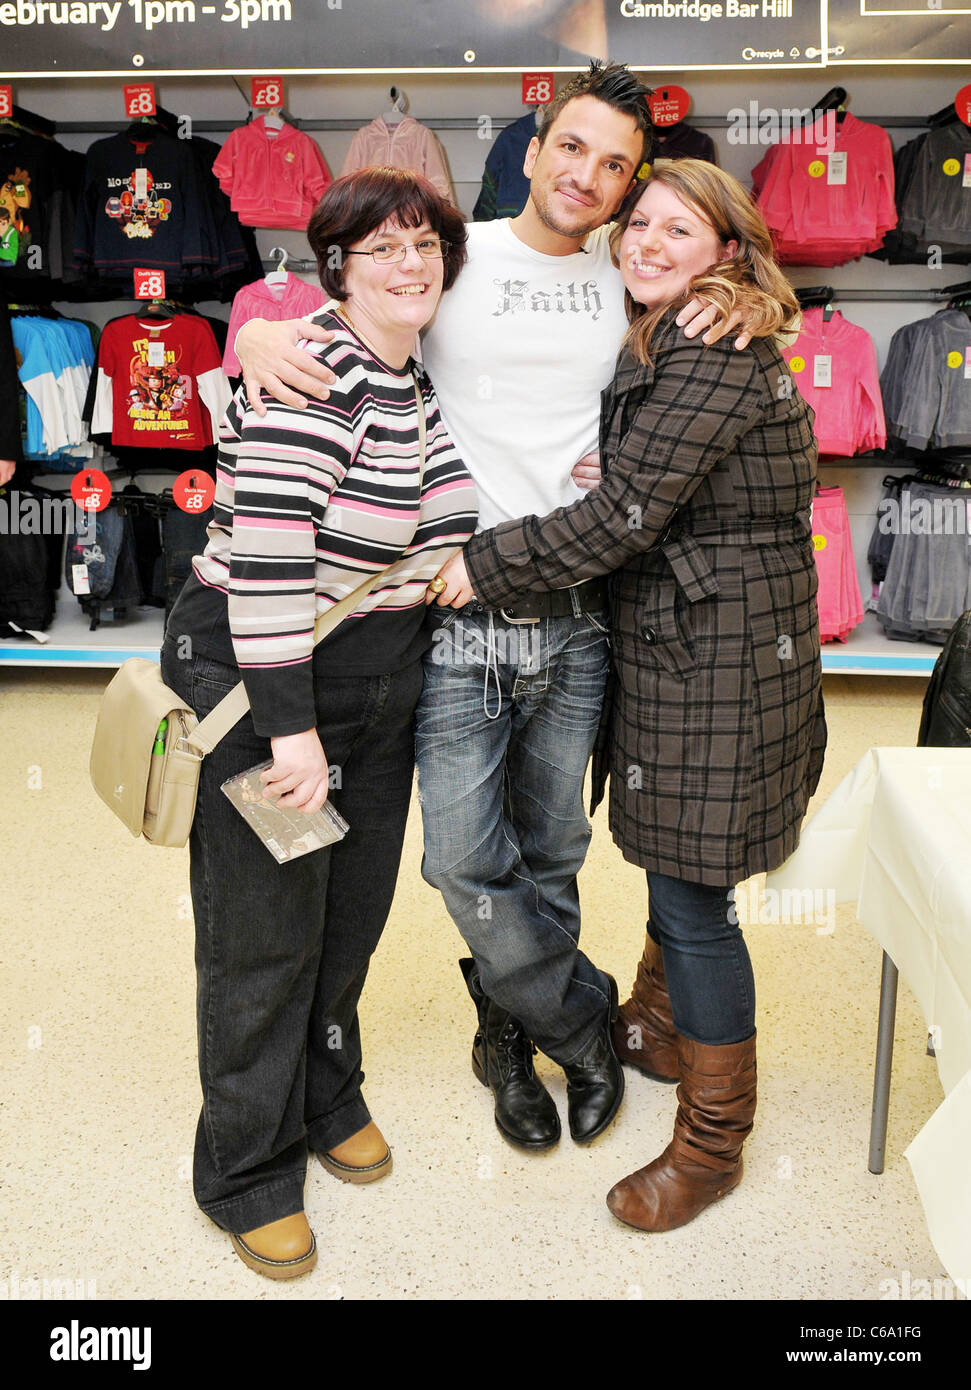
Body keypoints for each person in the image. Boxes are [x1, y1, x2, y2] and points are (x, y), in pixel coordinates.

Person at [233, 62, 762, 1156]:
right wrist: (257, 337)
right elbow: (348, 311)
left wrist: (738, 290)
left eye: (615, 164)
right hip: (459, 607)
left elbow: (712, 328)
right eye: (572, 147)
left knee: (552, 847)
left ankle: (504, 1042)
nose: (588, 175)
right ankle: (578, 1019)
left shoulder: (634, 277)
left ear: (629, 187)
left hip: (582, 612)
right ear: (533, 148)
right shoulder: (456, 254)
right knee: (463, 859)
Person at [429, 157, 827, 1231]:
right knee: (673, 853)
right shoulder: (673, 325)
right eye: (636, 223)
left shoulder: (708, 343)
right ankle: (648, 1023)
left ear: (726, 251)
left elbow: (622, 521)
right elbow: (644, 488)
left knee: (694, 896)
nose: (645, 242)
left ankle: (712, 1142)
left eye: (676, 230)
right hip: (703, 629)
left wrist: (489, 562)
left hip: (720, 645)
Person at [160, 167, 476, 1279]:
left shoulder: (409, 378)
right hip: (268, 686)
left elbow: (431, 517)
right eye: (379, 245)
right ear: (334, 265)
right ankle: (243, 1167)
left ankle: (326, 1090)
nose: (409, 261)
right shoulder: (317, 369)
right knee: (264, 939)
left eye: (425, 242)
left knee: (347, 923)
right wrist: (290, 732)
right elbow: (270, 562)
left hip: (375, 687)